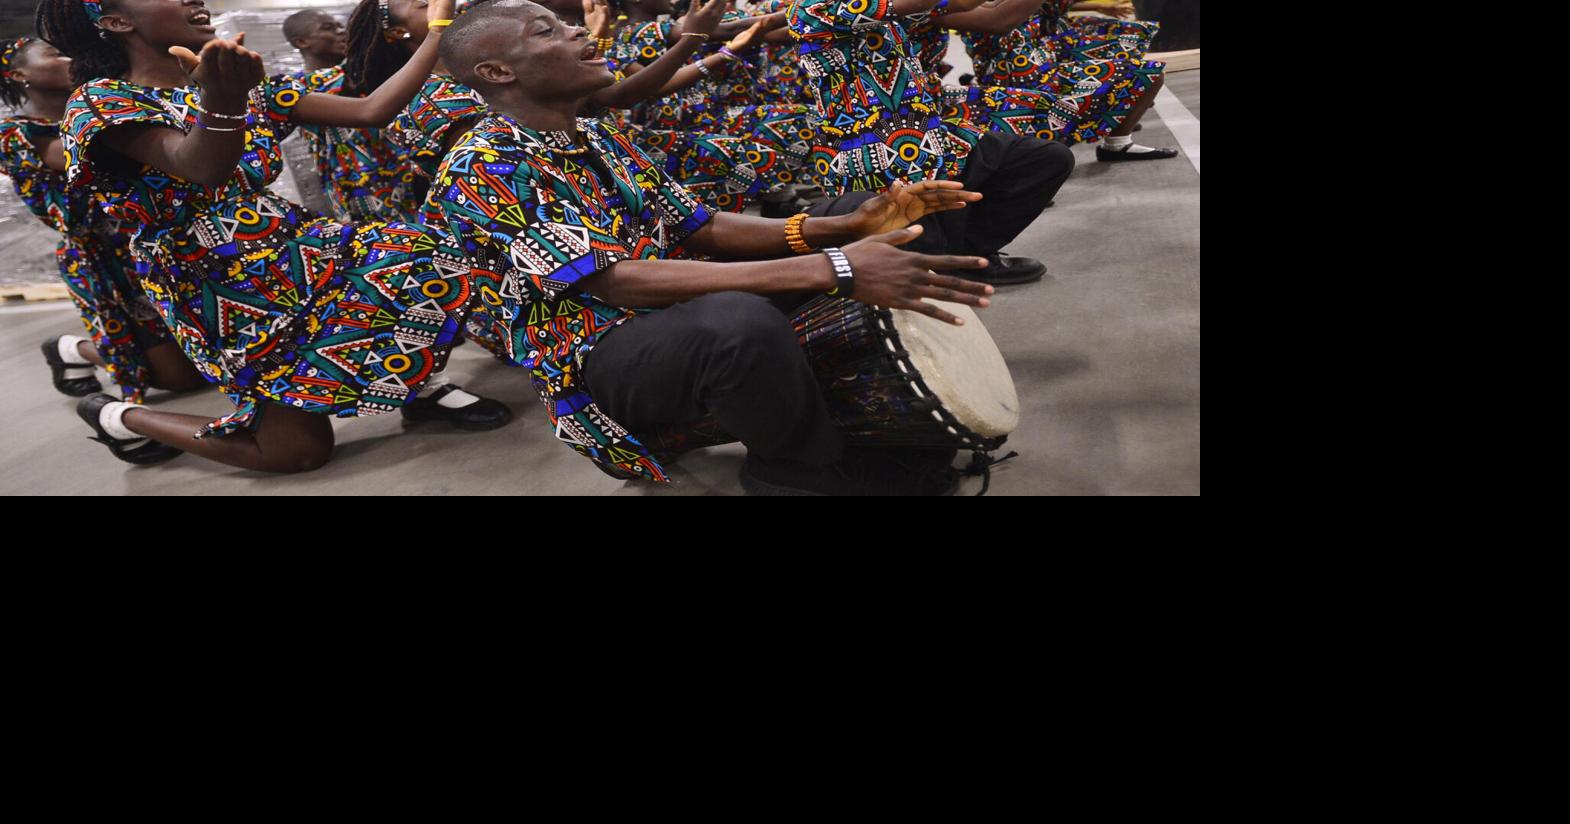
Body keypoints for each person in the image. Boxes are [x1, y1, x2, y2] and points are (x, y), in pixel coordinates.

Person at [433, 0, 1005, 495]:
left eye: (565, 23)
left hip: (668, 313)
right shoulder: (483, 165)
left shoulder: (595, 132)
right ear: (496, 71)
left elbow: (699, 227)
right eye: (547, 31)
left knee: (849, 218)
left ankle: (843, 404)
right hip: (602, 357)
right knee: (737, 321)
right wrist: (830, 266)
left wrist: (843, 228)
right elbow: (613, 281)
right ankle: (795, 467)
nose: (579, 31)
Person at [41, 0, 510, 472]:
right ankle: (122, 417)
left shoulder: (248, 85)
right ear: (118, 22)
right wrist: (221, 99)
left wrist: (437, 31)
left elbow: (372, 109)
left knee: (444, 251)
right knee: (297, 452)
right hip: (215, 285)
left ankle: (418, 387)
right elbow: (200, 168)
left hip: (293, 245)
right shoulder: (101, 102)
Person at [790, 0, 1073, 285]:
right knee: (919, 259)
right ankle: (947, 260)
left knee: (1046, 159)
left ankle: (965, 254)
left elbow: (993, 14)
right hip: (873, 156)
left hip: (931, 135)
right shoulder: (818, 7)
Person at [3, 34, 204, 408]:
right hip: (105, 260)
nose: (68, 57)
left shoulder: (108, 103)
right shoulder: (15, 134)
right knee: (179, 380)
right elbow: (70, 155)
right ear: (18, 75)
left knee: (208, 354)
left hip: (156, 238)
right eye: (54, 53)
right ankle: (73, 349)